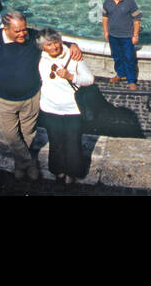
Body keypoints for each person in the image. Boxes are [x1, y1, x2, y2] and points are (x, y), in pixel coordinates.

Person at [0, 11, 82, 181]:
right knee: (11, 136)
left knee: (28, 133)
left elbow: (52, 41)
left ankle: (20, 165)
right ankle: (29, 163)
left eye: (24, 29)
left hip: (31, 98)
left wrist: (73, 45)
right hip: (4, 99)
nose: (22, 34)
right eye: (17, 31)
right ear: (6, 28)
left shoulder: (33, 38)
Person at [37, 28, 94, 185]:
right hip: (49, 108)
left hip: (72, 109)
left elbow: (89, 79)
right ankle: (58, 169)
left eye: (56, 42)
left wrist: (71, 76)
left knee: (72, 141)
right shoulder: (39, 56)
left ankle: (72, 172)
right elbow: (28, 32)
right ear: (42, 47)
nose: (54, 47)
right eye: (49, 44)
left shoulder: (73, 55)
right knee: (55, 141)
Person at [101, 0, 141, 89]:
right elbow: (105, 18)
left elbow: (137, 19)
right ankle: (120, 74)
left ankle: (131, 80)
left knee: (129, 58)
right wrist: (105, 32)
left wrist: (135, 35)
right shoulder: (107, 2)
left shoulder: (130, 2)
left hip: (127, 36)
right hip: (113, 36)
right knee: (116, 56)